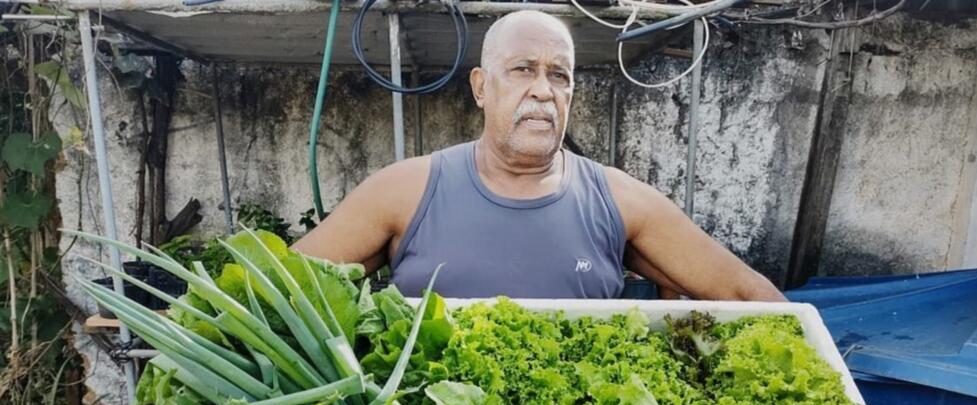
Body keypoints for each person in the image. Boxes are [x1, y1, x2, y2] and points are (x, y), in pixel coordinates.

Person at [293, 10, 785, 302]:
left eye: (559, 75)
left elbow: (749, 295)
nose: (543, 91)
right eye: (523, 69)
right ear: (482, 87)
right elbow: (277, 291)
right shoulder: (403, 191)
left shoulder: (618, 200)